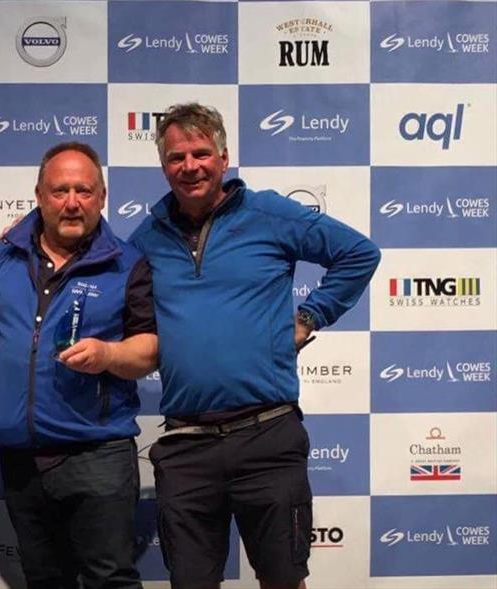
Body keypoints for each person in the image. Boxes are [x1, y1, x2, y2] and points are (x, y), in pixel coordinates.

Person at [129, 103, 381, 589]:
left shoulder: (268, 212)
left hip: (268, 435)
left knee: (283, 582)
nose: (190, 166)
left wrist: (309, 318)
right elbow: (102, 270)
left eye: (201, 153)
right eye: (176, 157)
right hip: (186, 445)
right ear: (163, 167)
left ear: (224, 158)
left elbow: (359, 253)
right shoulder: (147, 237)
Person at [0, 142, 157, 589]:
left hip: (97, 455)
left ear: (102, 196)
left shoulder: (128, 264)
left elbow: (150, 349)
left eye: (83, 190)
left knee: (109, 579)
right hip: (21, 459)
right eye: (59, 191)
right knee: (44, 579)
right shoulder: (2, 256)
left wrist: (109, 355)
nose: (72, 202)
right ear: (39, 195)